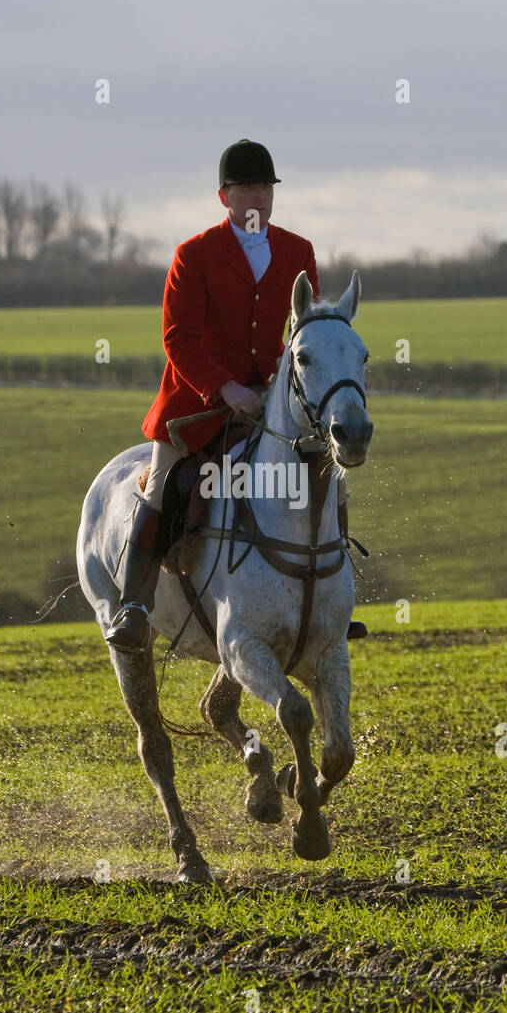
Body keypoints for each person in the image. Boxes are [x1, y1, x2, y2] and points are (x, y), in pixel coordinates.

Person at [104, 139, 323, 653]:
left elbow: (304, 332)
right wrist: (225, 388)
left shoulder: (299, 252)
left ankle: (327, 604)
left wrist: (273, 390)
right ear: (224, 196)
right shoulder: (193, 255)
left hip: (270, 409)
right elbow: (180, 338)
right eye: (247, 187)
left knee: (318, 475)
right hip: (195, 410)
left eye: (266, 187)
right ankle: (133, 608)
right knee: (161, 487)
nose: (259, 197)